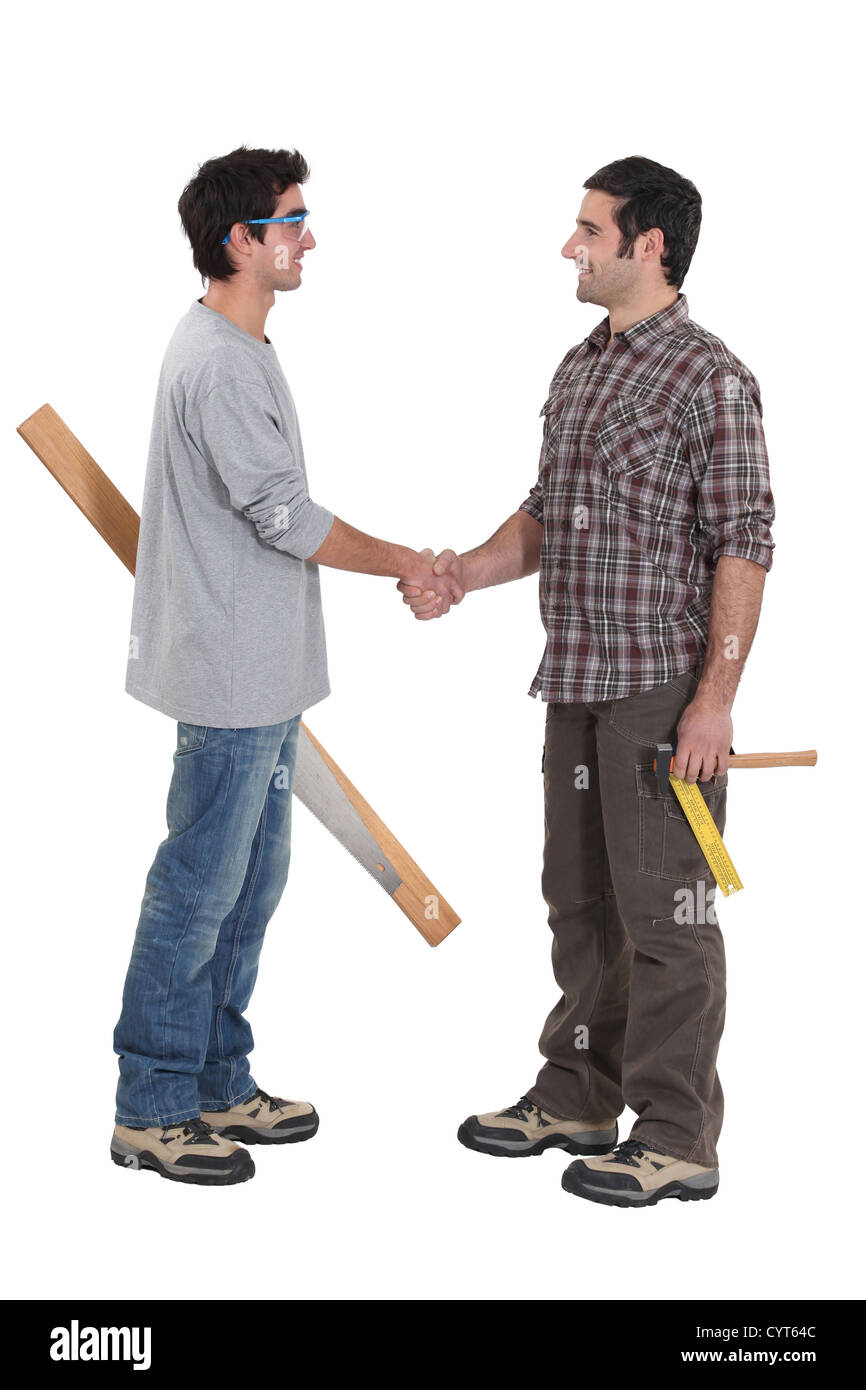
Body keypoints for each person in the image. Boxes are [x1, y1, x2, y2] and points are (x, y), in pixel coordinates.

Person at [400, 155, 775, 1208]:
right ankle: (575, 1093)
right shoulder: (580, 364)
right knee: (578, 902)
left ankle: (674, 1134)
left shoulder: (711, 376)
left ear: (646, 245)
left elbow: (742, 544)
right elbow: (546, 511)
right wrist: (466, 574)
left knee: (670, 915)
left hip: (662, 692)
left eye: (587, 230)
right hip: (571, 679)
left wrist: (714, 699)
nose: (569, 246)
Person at [112, 145, 460, 1186]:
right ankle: (155, 1105)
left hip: (259, 676)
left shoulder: (241, 347)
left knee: (249, 883)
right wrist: (411, 563)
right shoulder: (217, 363)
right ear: (240, 241)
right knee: (196, 890)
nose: (306, 238)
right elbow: (284, 519)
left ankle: (217, 1079)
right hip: (226, 678)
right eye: (292, 221)